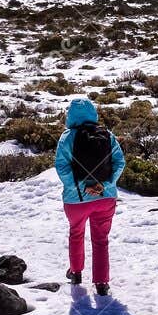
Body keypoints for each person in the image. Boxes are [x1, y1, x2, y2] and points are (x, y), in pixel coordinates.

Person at [53, 98, 124, 296]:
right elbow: (120, 163)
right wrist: (104, 185)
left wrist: (83, 188)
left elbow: (62, 167)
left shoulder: (66, 138)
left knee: (76, 233)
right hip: (105, 198)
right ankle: (101, 283)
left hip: (77, 200)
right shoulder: (107, 135)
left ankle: (75, 273)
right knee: (101, 240)